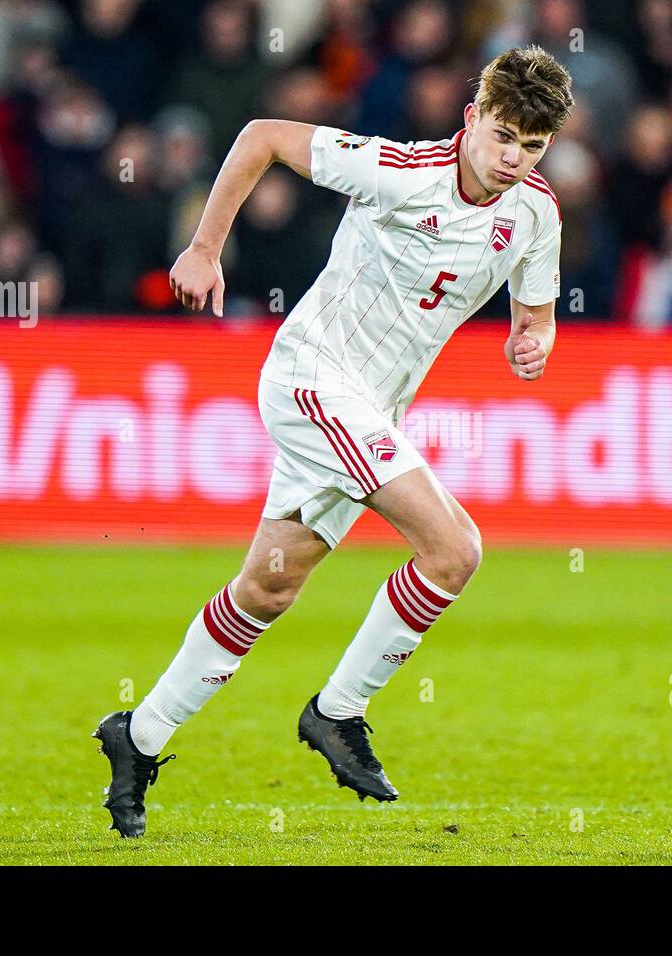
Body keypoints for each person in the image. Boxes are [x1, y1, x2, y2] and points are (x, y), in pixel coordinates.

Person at [92, 46, 573, 837]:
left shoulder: (535, 215)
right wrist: (206, 249)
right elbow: (259, 138)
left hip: (369, 411)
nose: (513, 157)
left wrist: (535, 341)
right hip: (313, 379)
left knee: (267, 591)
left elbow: (535, 317)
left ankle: (137, 738)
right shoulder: (397, 169)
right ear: (472, 119)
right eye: (503, 135)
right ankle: (337, 712)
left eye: (533, 145)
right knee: (454, 550)